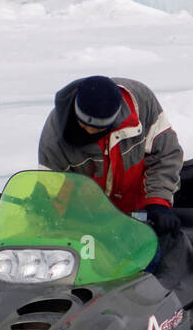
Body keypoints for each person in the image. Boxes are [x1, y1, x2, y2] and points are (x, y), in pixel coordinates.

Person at [38, 76, 184, 273]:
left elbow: (165, 155)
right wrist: (49, 219)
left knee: (147, 262)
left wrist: (158, 202)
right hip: (87, 222)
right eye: (85, 125)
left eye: (98, 128)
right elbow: (52, 185)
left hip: (137, 217)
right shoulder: (55, 134)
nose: (90, 131)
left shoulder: (141, 103)